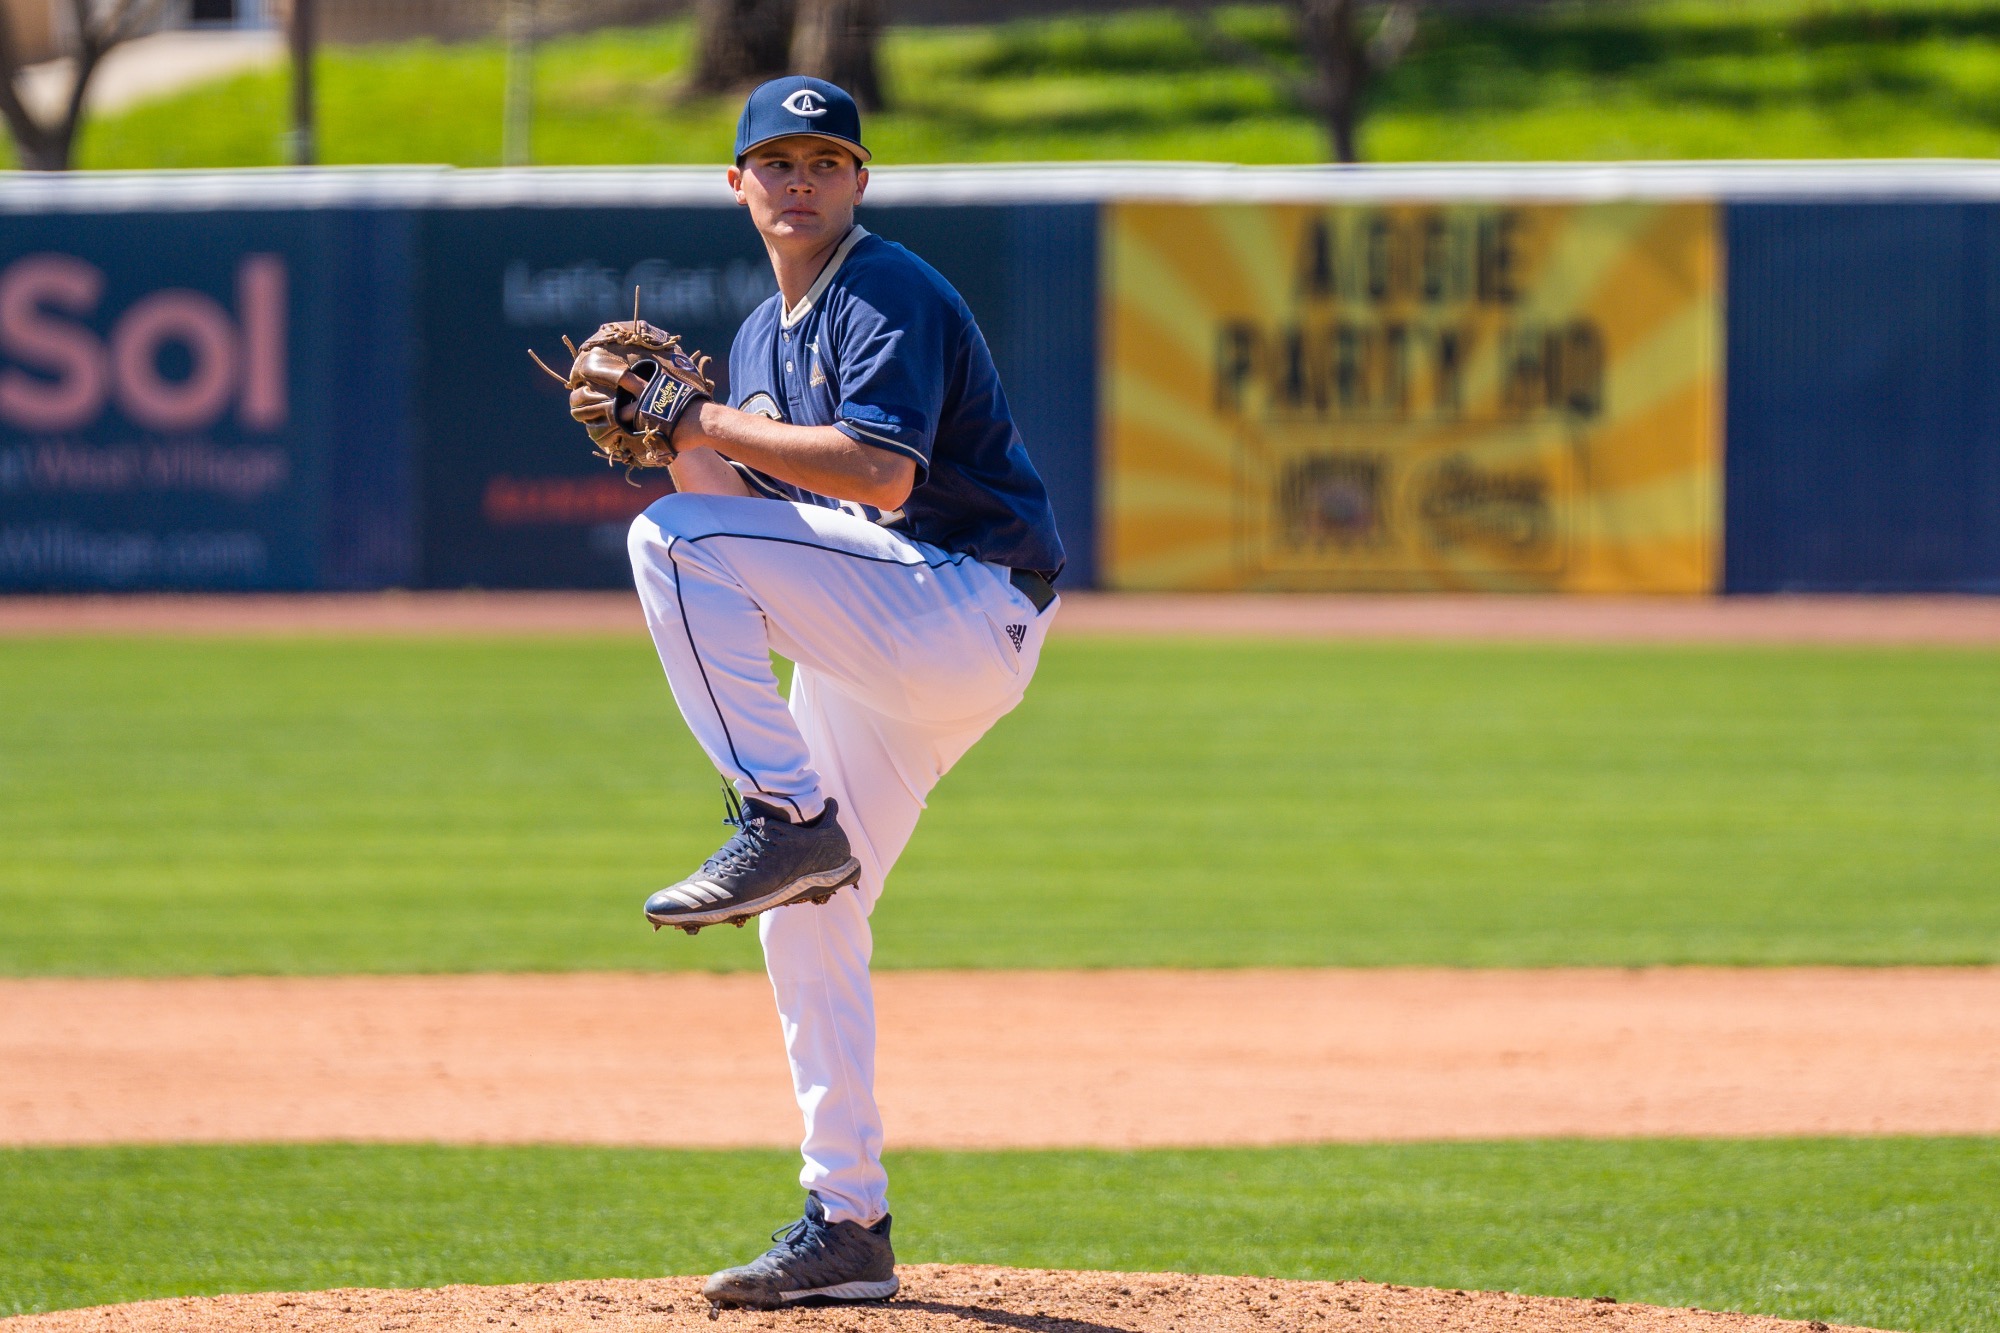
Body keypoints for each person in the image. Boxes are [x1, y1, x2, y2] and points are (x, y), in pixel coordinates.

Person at [619, 76, 1064, 1310]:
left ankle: (779, 812)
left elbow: (873, 478)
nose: (799, 180)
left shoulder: (888, 290)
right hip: (889, 641)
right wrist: (671, 437)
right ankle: (847, 1218)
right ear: (738, 184)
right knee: (807, 911)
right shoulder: (763, 334)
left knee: (668, 546)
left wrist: (701, 422)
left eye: (823, 159)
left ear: (859, 178)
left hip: (965, 601)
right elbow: (751, 514)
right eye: (777, 161)